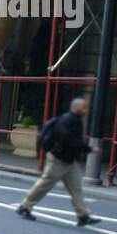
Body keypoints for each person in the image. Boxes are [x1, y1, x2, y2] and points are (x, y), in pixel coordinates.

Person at [16, 96, 101, 225]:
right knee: (45, 184)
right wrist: (88, 149)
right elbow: (68, 139)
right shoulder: (68, 120)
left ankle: (82, 214)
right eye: (84, 107)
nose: (86, 110)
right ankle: (25, 206)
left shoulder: (74, 120)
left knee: (76, 186)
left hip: (68, 160)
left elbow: (70, 139)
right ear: (76, 107)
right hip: (59, 159)